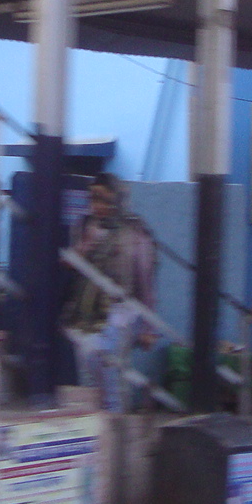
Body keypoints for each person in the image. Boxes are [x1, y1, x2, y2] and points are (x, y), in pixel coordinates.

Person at [61, 174, 158, 406]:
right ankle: (100, 428)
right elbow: (70, 263)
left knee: (109, 369)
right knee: (89, 372)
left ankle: (115, 425)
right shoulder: (87, 226)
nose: (98, 206)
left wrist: (148, 327)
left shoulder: (135, 232)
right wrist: (86, 244)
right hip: (87, 312)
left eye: (104, 199)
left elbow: (145, 281)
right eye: (94, 199)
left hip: (121, 311)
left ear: (118, 198)